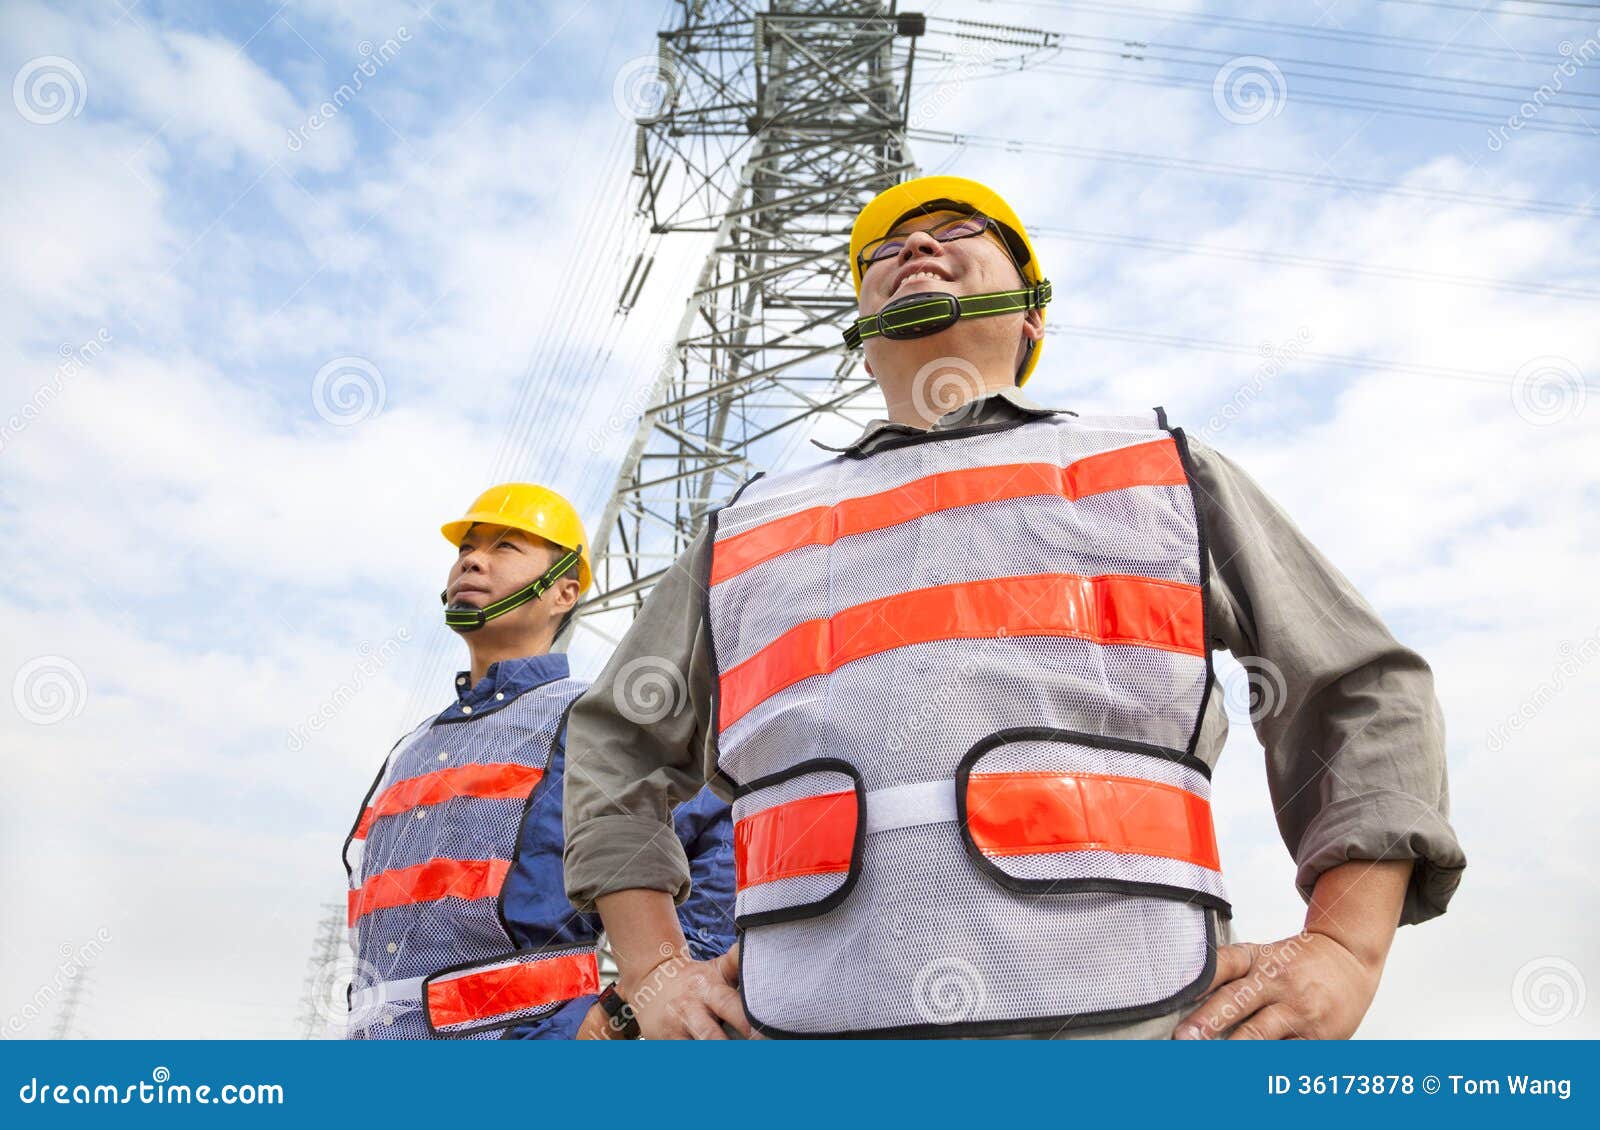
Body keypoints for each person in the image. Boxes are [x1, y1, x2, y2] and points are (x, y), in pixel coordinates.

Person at [561, 176, 1466, 1039]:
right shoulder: (751, 527)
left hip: (1134, 1031)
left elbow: (1361, 687)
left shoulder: (1159, 474)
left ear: (1031, 313)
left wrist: (1347, 946)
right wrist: (650, 968)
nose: (916, 243)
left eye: (961, 235)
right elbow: (617, 740)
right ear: (862, 330)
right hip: (809, 1032)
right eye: (884, 250)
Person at [342, 483, 734, 1039]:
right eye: (465, 550)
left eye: (506, 548)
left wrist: (639, 1008)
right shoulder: (412, 747)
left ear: (563, 593)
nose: (472, 560)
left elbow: (722, 830)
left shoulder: (598, 720)